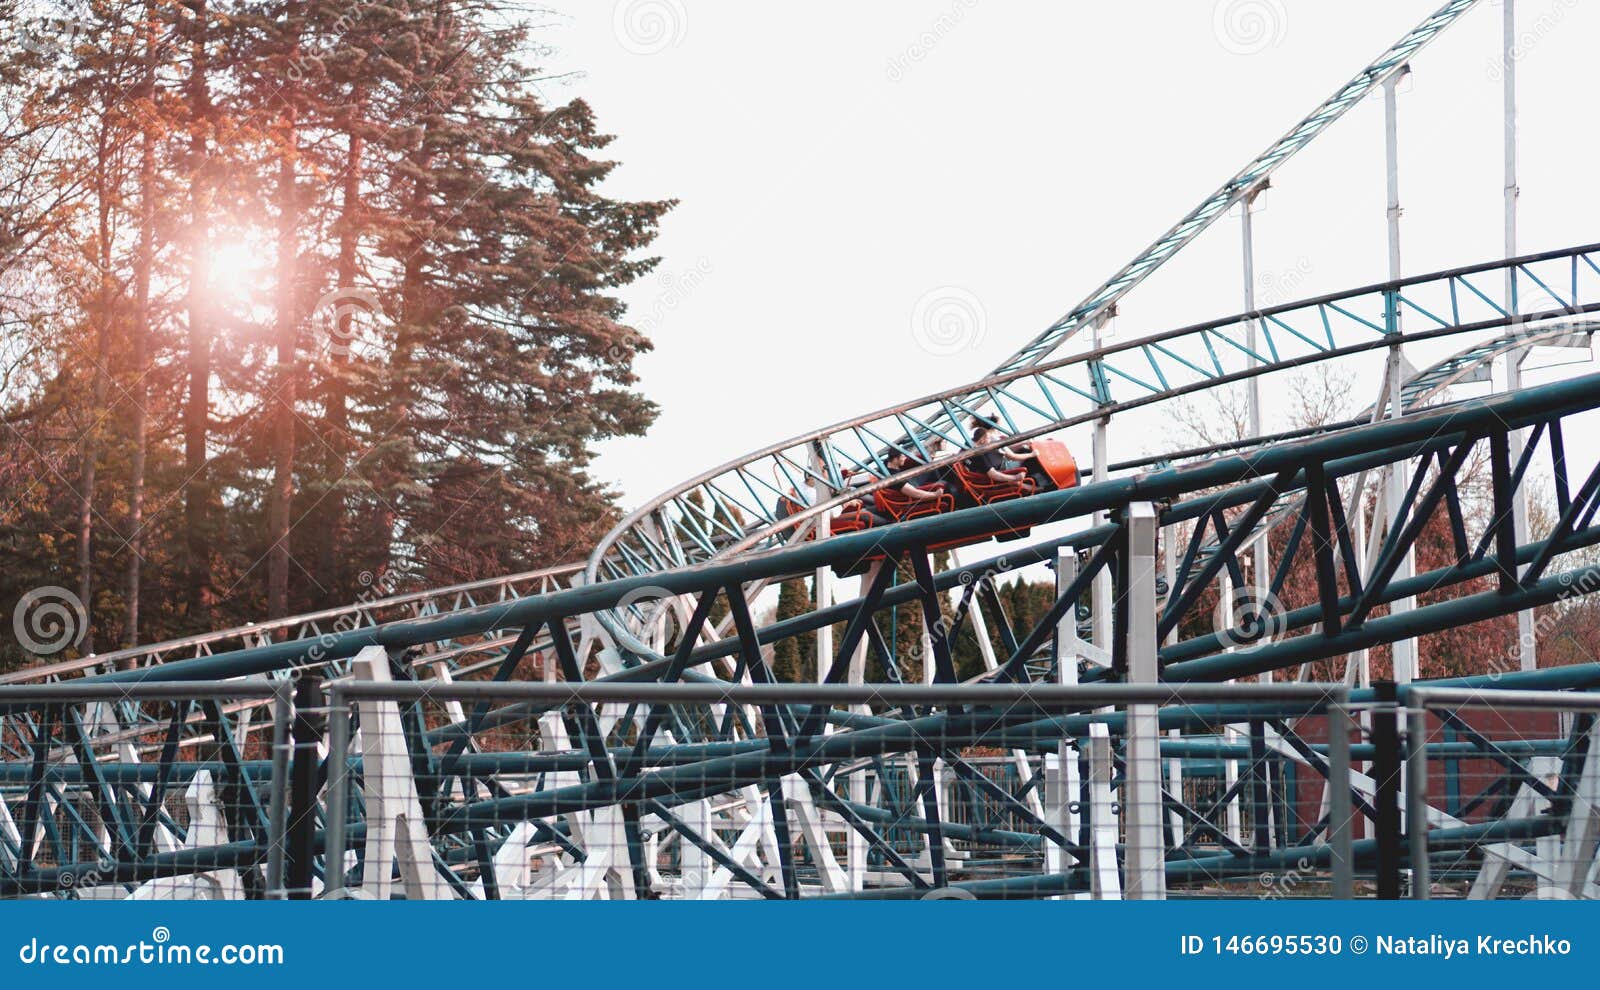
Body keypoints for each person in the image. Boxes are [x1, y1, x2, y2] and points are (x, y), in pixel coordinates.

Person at [965, 419, 1031, 485]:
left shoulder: (968, 445)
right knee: (1028, 458)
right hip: (1003, 469)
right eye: (988, 439)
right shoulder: (979, 454)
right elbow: (993, 474)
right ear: (982, 440)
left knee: (1024, 452)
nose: (989, 440)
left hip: (1000, 466)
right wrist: (1015, 478)